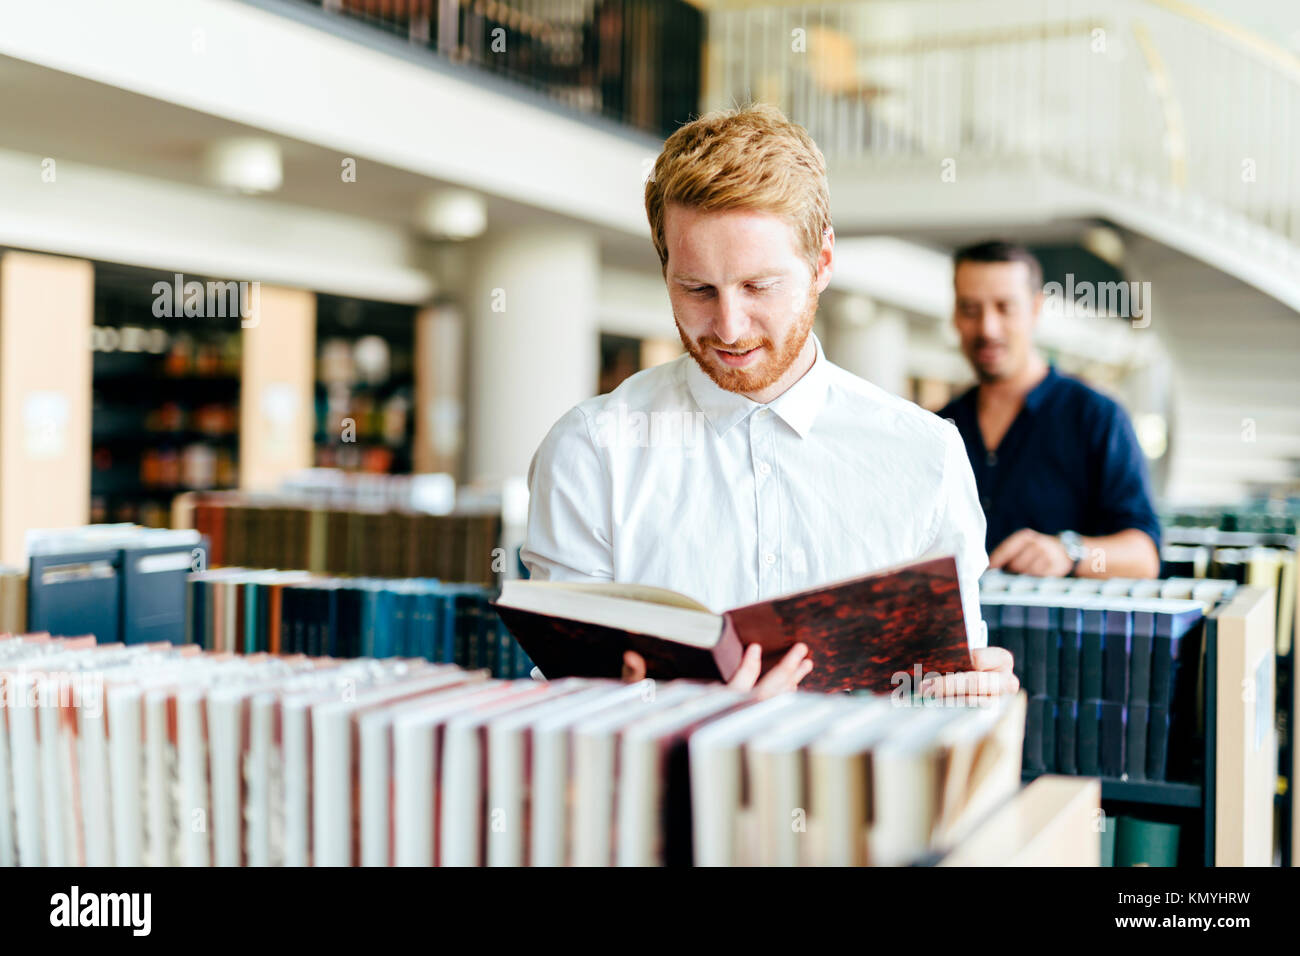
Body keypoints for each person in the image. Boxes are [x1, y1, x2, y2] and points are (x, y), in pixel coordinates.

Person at [521, 104, 1017, 698]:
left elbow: (950, 708)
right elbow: (569, 714)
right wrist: (713, 723)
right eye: (698, 288)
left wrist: (978, 701)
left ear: (822, 262)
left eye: (759, 286)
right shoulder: (591, 453)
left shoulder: (926, 457)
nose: (728, 327)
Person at [938, 240, 1161, 579]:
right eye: (971, 309)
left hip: (1059, 629)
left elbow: (1144, 557)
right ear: (955, 315)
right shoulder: (939, 426)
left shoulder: (1096, 417)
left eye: (1005, 307)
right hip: (956, 631)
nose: (987, 328)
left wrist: (1070, 553)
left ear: (1035, 309)